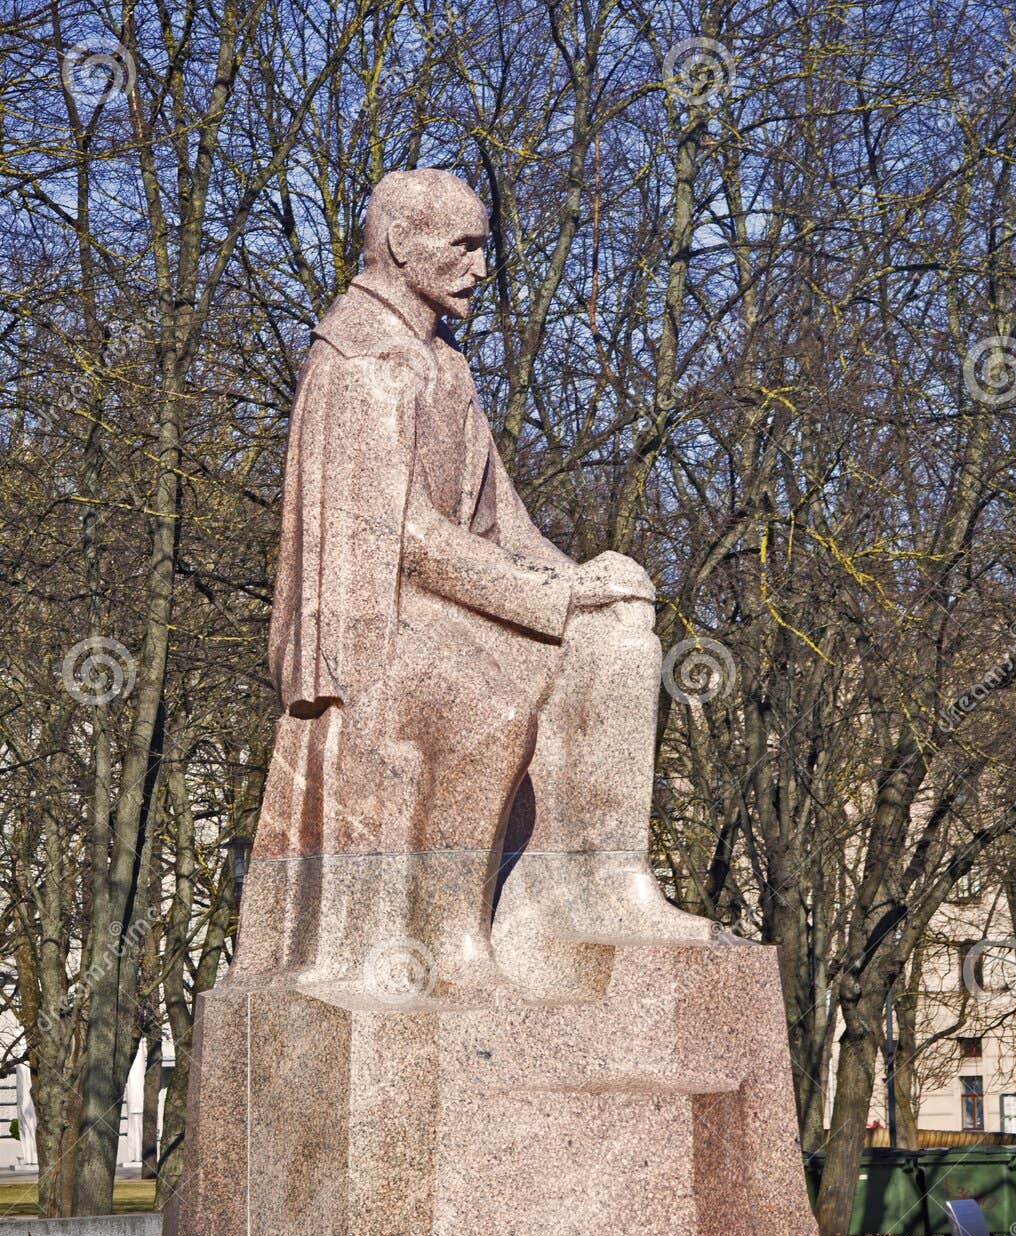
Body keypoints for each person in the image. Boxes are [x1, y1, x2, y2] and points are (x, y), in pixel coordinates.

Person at [235, 168, 715, 1001]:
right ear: (399, 246)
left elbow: (503, 523)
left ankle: (609, 889)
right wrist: (549, 601)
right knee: (491, 702)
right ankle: (448, 940)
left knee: (624, 649)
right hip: (373, 627)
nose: (480, 268)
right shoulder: (361, 361)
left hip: (445, 606)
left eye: (481, 246)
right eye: (463, 246)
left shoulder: (445, 369)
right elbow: (409, 538)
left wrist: (589, 583)